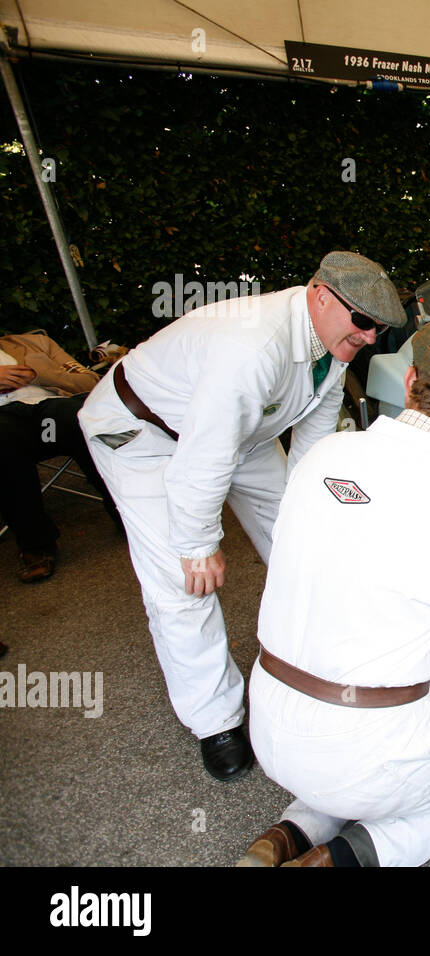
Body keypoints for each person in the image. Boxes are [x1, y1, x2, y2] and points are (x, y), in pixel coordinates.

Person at [78, 251, 405, 781]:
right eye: (364, 322)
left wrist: (307, 510)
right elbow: (203, 455)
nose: (371, 337)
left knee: (300, 534)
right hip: (144, 433)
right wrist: (199, 541)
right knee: (184, 585)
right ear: (320, 294)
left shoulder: (335, 342)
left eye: (379, 327)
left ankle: (324, 649)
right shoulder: (252, 346)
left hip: (241, 436)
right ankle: (216, 720)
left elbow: (314, 438)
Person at [240, 319, 430, 867]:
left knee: (363, 739)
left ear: (409, 382)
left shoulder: (323, 454)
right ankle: (341, 858)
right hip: (363, 746)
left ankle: (288, 833)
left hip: (266, 717)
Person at [1, 330, 121, 581]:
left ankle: (126, 511)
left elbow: (89, 381)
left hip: (48, 417)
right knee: (4, 440)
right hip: (7, 426)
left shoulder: (35, 342)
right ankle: (36, 545)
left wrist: (40, 374)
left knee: (78, 419)